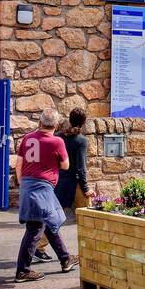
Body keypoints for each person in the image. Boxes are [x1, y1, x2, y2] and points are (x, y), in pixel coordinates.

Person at [13, 108, 75, 283]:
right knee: (35, 228)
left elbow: (19, 164)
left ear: (40, 122)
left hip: (27, 184)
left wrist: (23, 184)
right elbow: (65, 166)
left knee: (49, 222)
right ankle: (23, 270)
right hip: (42, 187)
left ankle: (65, 259)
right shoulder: (57, 142)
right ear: (56, 125)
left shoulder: (27, 138)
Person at [34, 107, 94, 262]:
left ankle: (38, 246)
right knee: (88, 216)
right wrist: (86, 188)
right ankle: (91, 248)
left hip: (57, 181)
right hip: (74, 184)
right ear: (83, 122)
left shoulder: (59, 136)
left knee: (54, 216)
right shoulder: (81, 140)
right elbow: (81, 168)